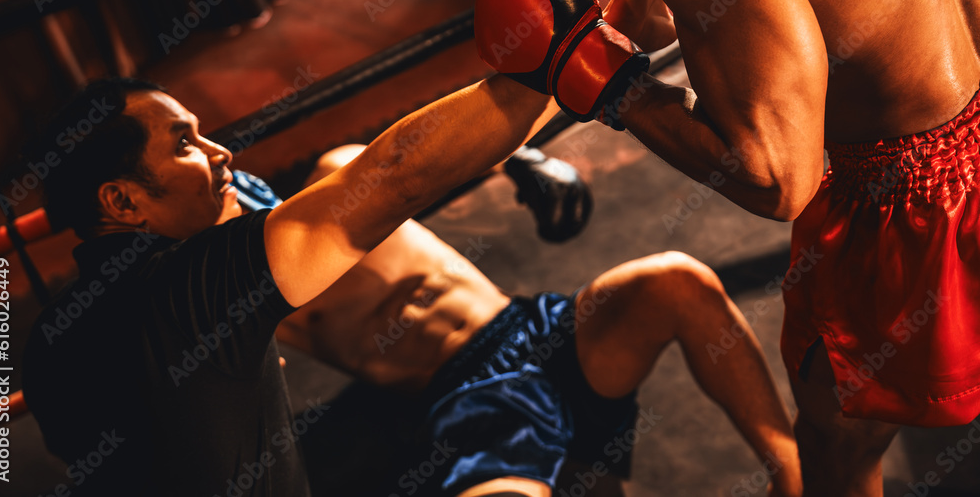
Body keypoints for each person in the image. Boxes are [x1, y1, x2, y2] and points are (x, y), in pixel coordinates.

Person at [471, 0, 980, 494]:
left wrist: (601, 79)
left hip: (906, 207)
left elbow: (777, 177)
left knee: (837, 443)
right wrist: (608, 20)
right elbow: (662, 14)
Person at [22, 74, 554, 496]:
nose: (219, 152)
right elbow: (396, 174)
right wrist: (549, 75)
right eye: (184, 143)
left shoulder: (44, 341)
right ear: (122, 202)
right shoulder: (199, 280)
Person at [273, 144, 802, 497]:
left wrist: (521, 160)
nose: (222, 161)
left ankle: (797, 476)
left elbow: (448, 149)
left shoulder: (343, 174)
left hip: (537, 331)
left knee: (673, 280)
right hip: (468, 400)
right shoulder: (264, 308)